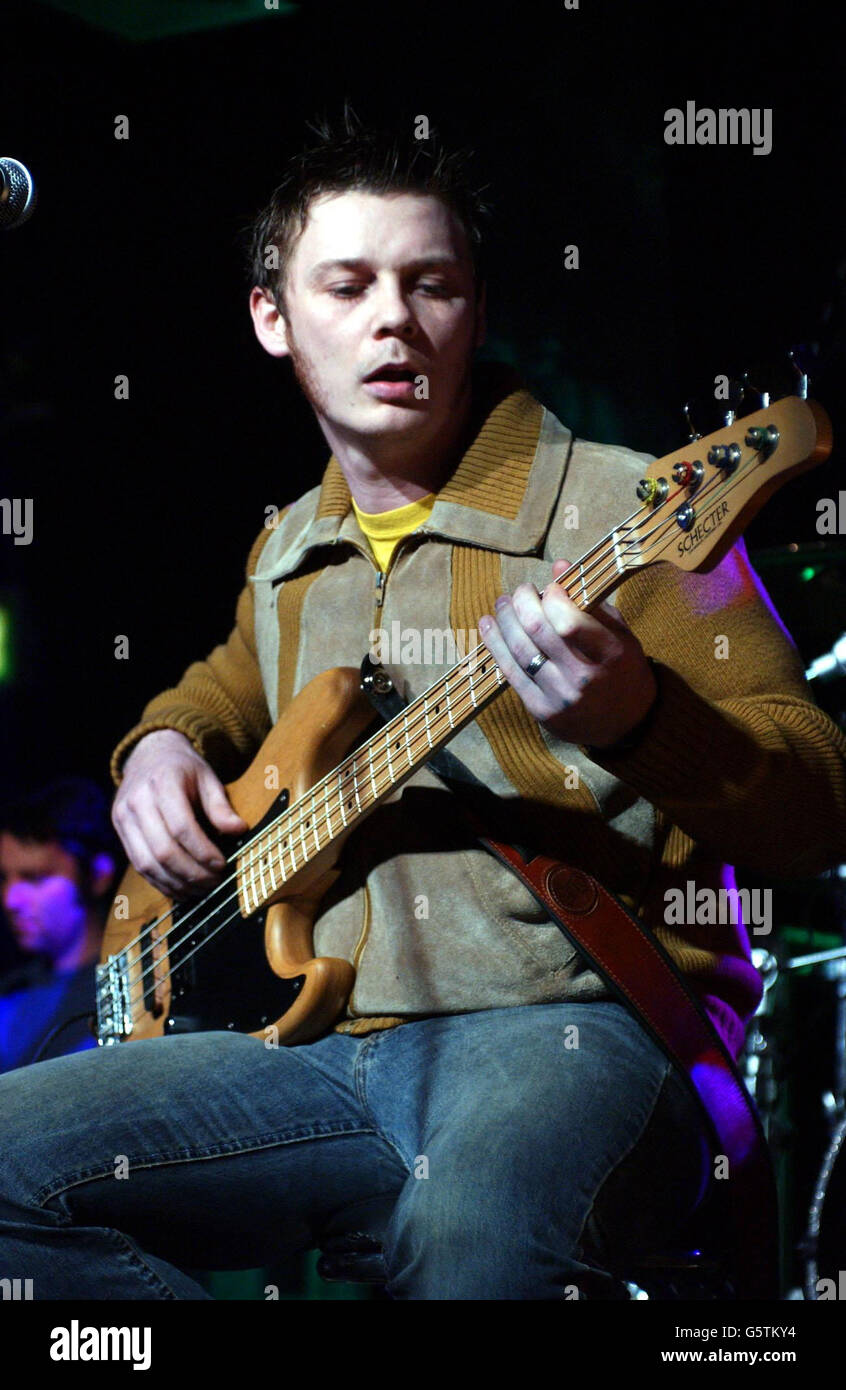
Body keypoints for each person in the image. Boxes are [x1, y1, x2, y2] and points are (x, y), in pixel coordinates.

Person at [0, 112, 844, 1301]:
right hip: (315, 1050)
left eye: (431, 282)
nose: (394, 318)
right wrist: (157, 752)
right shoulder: (289, 548)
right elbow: (219, 690)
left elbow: (820, 800)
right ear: (272, 320)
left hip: (573, 1029)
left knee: (470, 1253)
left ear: (478, 311)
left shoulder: (629, 506)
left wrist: (642, 721)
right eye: (347, 285)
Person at [0, 777, 119, 1071]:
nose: (11, 899)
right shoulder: (8, 997)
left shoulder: (132, 980)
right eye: (4, 879)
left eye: (35, 877)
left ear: (98, 875)